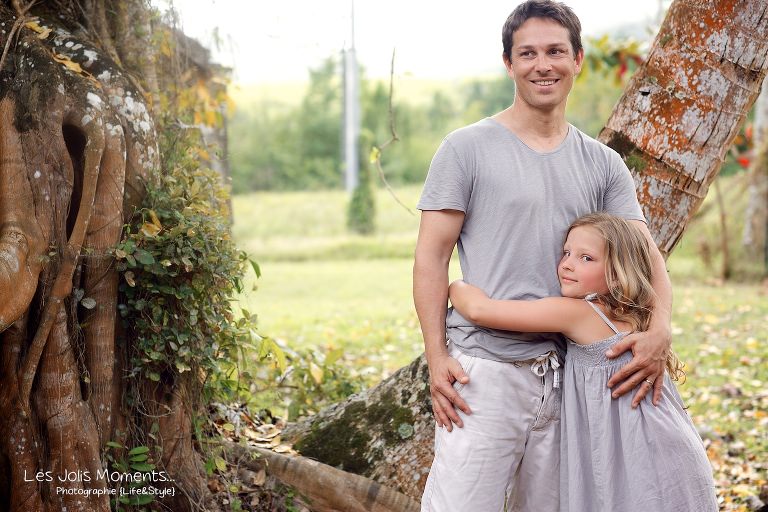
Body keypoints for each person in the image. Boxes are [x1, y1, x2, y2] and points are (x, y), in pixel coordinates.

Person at [414, 1, 673, 510]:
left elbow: (648, 258)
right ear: (508, 64)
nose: (542, 65)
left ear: (577, 59)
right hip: (483, 373)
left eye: (555, 51)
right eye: (527, 53)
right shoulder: (465, 149)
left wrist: (660, 328)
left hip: (572, 375)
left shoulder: (603, 164)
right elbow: (431, 257)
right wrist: (437, 355)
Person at [447, 213, 718, 512]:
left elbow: (479, 310)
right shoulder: (638, 317)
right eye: (566, 253)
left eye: (586, 258)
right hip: (670, 450)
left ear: (617, 273)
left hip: (640, 457)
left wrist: (456, 285)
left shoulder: (577, 313)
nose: (567, 264)